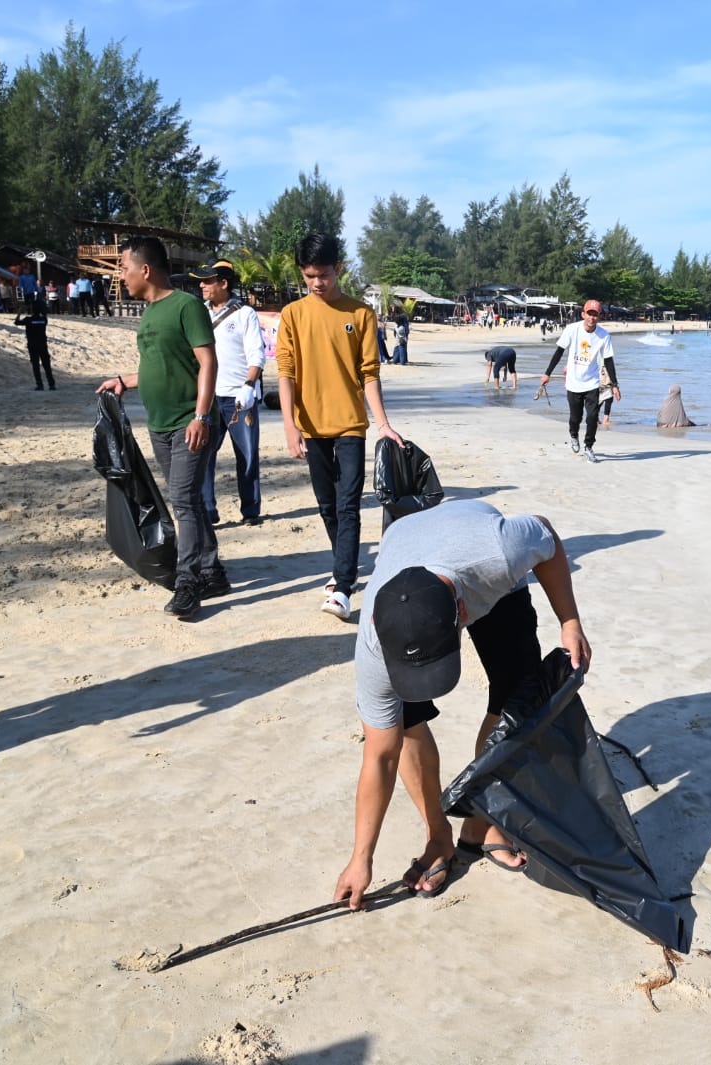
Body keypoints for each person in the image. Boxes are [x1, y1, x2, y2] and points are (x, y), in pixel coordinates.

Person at [334, 499, 592, 906]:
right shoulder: (373, 646)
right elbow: (381, 756)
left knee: (515, 698)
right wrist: (360, 859)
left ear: (462, 611)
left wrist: (569, 621)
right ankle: (439, 837)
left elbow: (547, 535)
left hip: (476, 557)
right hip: (406, 546)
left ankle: (480, 822)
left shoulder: (499, 552)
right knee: (403, 718)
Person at [94, 235, 230, 620]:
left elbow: (208, 363)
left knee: (185, 502)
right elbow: (160, 365)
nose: (121, 275)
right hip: (159, 424)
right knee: (189, 502)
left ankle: (188, 584)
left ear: (145, 269)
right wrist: (123, 380)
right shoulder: (149, 313)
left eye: (123, 267)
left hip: (191, 422)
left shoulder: (186, 306)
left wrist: (202, 416)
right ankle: (212, 571)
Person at [276, 233, 404, 620]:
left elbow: (369, 374)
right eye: (310, 276)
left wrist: (382, 424)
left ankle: (342, 586)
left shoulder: (360, 314)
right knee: (327, 506)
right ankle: (341, 566)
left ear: (339, 269)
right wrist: (289, 426)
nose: (317, 283)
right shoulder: (293, 314)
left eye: (324, 275)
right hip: (310, 426)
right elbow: (286, 373)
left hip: (350, 424)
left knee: (348, 505)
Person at [188, 260, 267, 527]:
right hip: (209, 396)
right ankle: (208, 509)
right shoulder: (199, 313)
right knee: (205, 455)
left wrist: (249, 385)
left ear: (223, 284)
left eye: (207, 281)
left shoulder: (245, 314)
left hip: (238, 397)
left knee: (246, 454)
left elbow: (256, 353)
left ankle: (251, 510)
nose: (202, 285)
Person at [540, 299, 620, 463]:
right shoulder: (572, 330)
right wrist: (547, 373)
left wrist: (615, 384)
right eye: (589, 313)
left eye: (595, 314)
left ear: (599, 317)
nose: (592, 317)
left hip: (592, 383)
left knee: (592, 416)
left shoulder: (604, 335)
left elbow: (608, 361)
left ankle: (589, 447)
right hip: (573, 382)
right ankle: (573, 435)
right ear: (583, 314)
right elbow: (559, 352)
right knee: (575, 417)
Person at [14, 297, 55, 390]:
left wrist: (20, 312)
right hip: (43, 344)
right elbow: (45, 315)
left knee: (36, 365)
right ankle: (51, 384)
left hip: (32, 345)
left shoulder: (28, 320)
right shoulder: (43, 320)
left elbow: (16, 322)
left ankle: (39, 385)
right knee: (46, 365)